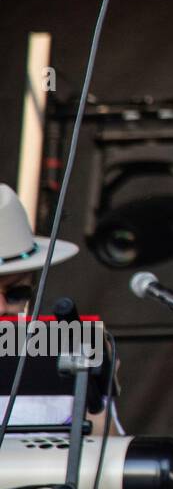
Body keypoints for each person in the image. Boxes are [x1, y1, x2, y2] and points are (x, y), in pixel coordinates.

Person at [0, 183, 123, 437]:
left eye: (16, 293)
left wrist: (95, 390)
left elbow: (108, 458)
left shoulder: (60, 353)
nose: (3, 307)